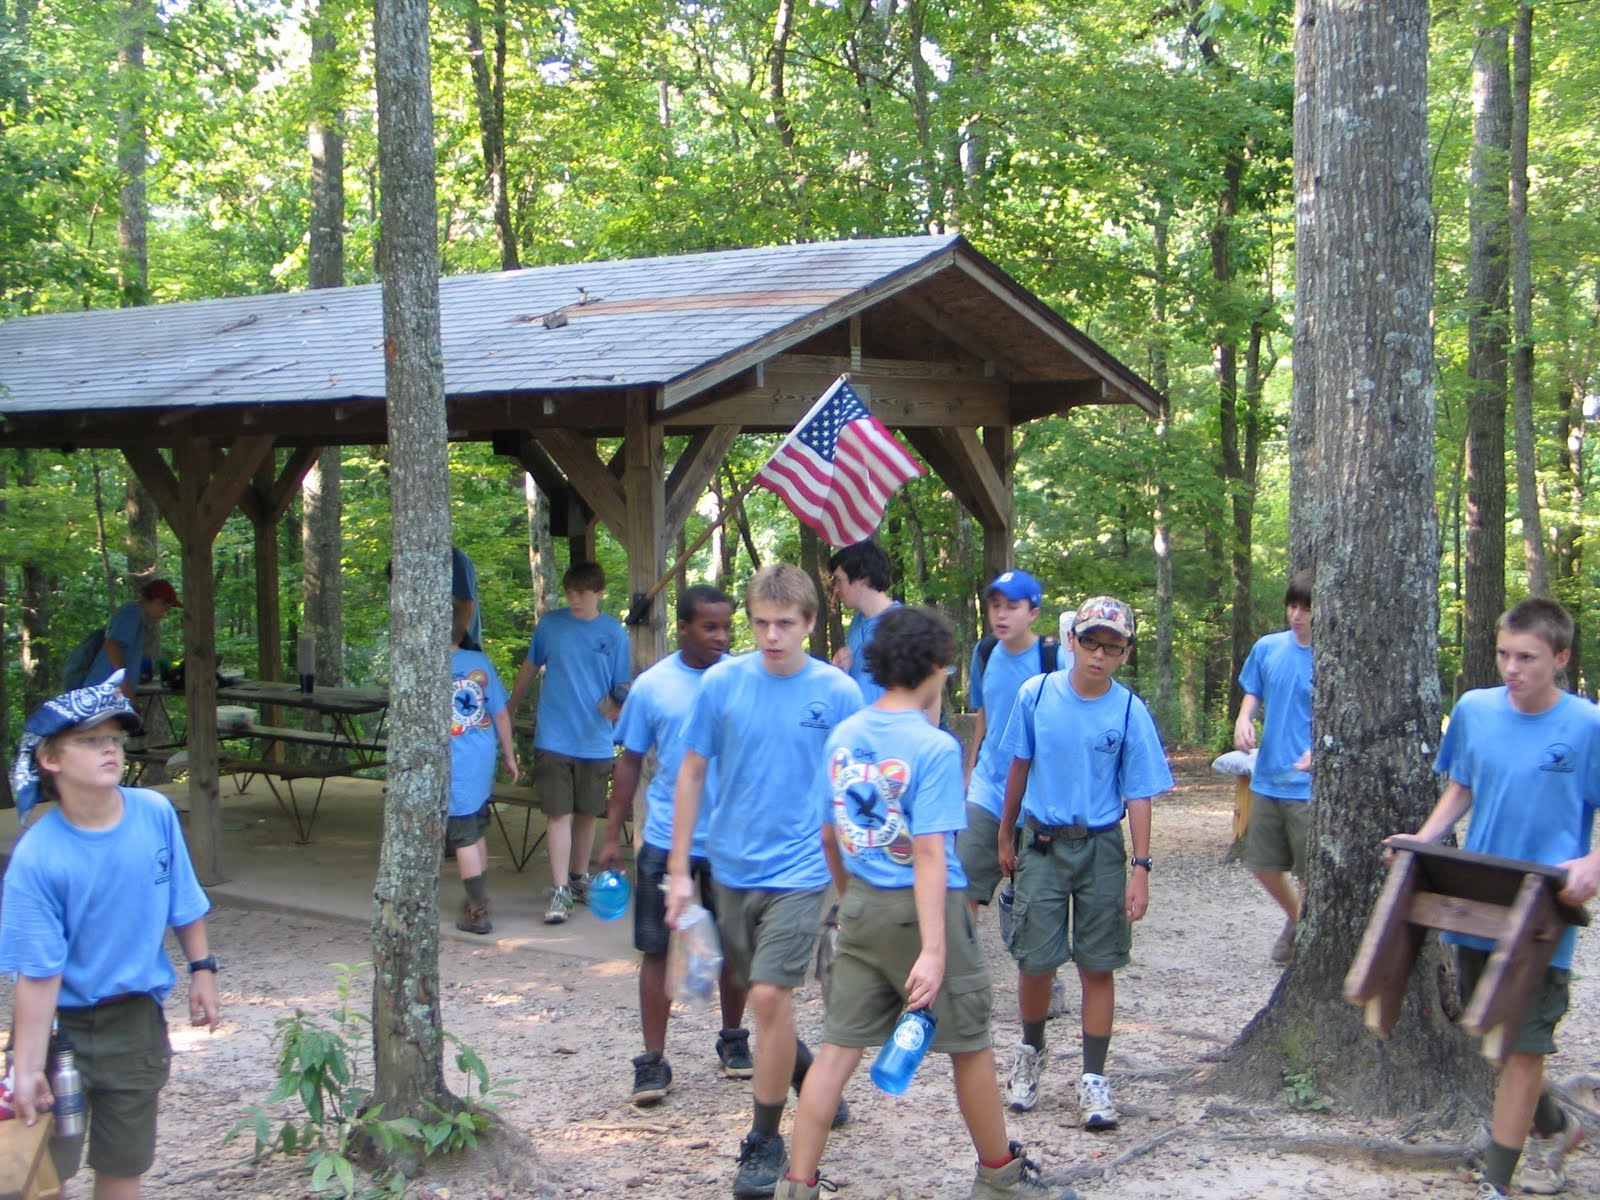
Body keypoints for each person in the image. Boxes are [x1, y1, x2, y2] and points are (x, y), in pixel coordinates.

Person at [779, 607, 1073, 1200]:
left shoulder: (843, 737)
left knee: (838, 1050)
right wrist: (935, 950)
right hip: (925, 913)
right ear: (937, 667)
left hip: (859, 909)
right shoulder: (934, 747)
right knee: (969, 1049)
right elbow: (931, 855)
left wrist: (847, 897)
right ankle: (1000, 1177)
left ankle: (797, 1185)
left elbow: (829, 834)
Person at [666, 563, 863, 1200]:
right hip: (731, 868)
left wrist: (863, 878)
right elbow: (690, 773)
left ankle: (764, 1139)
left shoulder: (837, 693)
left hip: (804, 871)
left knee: (774, 999)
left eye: (785, 624)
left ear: (810, 623)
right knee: (759, 998)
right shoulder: (722, 685)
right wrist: (677, 872)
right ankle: (804, 1069)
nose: (771, 635)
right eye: (761, 623)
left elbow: (858, 787)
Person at [1393, 598, 1599, 1200]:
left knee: (1523, 1049)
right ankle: (1559, 1125)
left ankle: (1497, 1184)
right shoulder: (1475, 710)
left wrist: (1590, 863)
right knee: (1496, 1042)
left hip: (1543, 914)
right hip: (1476, 901)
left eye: (1528, 658)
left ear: (1559, 658)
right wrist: (1423, 841)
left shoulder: (1586, 726)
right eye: (1505, 654)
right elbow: (1461, 784)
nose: (1512, 667)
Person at [1, 671, 221, 1198]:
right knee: (40, 1168)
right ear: (50, 760)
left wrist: (202, 970)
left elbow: (182, 900)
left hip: (135, 1022)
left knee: (124, 1162)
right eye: (91, 740)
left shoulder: (154, 812)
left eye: (116, 739)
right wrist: (26, 1067)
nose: (110, 750)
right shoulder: (37, 858)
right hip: (62, 1032)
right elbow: (39, 974)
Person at [997, 595, 1173, 1127]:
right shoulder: (1037, 694)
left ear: (1125, 653)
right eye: (1090, 642)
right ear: (1071, 640)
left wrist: (1141, 867)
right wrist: (1006, 835)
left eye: (1112, 647)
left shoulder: (1127, 710)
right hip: (1043, 843)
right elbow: (1019, 766)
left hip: (1100, 848)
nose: (1098, 655)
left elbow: (1139, 791)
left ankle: (1094, 1079)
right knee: (1036, 958)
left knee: (1099, 963)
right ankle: (1030, 1055)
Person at [597, 585, 753, 1106]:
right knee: (656, 949)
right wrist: (612, 835)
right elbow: (629, 760)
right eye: (710, 627)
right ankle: (651, 1061)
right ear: (683, 627)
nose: (721, 637)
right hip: (666, 840)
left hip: (731, 843)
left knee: (736, 949)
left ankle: (733, 1040)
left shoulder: (741, 679)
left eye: (727, 627)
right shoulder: (653, 686)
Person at [508, 560, 631, 925]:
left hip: (595, 739)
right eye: (571, 592)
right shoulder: (551, 626)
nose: (575, 599)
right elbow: (529, 668)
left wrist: (617, 704)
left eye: (583, 593)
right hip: (555, 735)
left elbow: (624, 685)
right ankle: (559, 889)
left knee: (587, 812)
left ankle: (578, 879)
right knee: (558, 812)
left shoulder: (614, 633)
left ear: (599, 593)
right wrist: (509, 710)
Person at [1233, 569, 1314, 964]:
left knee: (1307, 871)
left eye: (1306, 608)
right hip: (1267, 775)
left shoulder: (1331, 657)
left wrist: (1320, 753)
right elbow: (1254, 690)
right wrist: (1244, 718)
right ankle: (1300, 920)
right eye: (1292, 605)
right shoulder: (1268, 647)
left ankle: (1307, 932)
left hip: (1307, 784)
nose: (1297, 615)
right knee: (1262, 864)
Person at [447, 594, 520, 934]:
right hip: (481, 757)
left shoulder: (426, 666)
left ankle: (477, 911)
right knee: (475, 826)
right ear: (461, 633)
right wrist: (509, 755)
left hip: (455, 762)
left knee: (461, 836)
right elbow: (501, 712)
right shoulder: (480, 662)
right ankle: (480, 896)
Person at [828, 540, 899, 706]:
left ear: (862, 578)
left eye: (839, 580)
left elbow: (929, 695)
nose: (836, 589)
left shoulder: (902, 626)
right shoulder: (859, 621)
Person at [86, 579, 183, 700]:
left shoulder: (135, 613)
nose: (164, 614)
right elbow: (112, 645)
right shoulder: (132, 613)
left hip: (111, 691)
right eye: (165, 609)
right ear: (158, 601)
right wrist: (126, 689)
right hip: (105, 691)